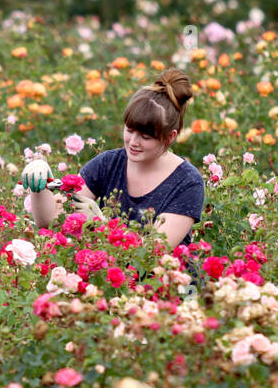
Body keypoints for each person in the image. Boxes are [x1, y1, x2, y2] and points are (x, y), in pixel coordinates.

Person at [23, 68, 207, 296]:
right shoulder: (108, 164)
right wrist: (39, 183)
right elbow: (50, 220)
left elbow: (153, 254)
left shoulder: (188, 182)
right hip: (113, 286)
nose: (134, 142)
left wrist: (101, 224)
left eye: (146, 137)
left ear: (170, 137)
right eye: (129, 130)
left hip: (169, 291)